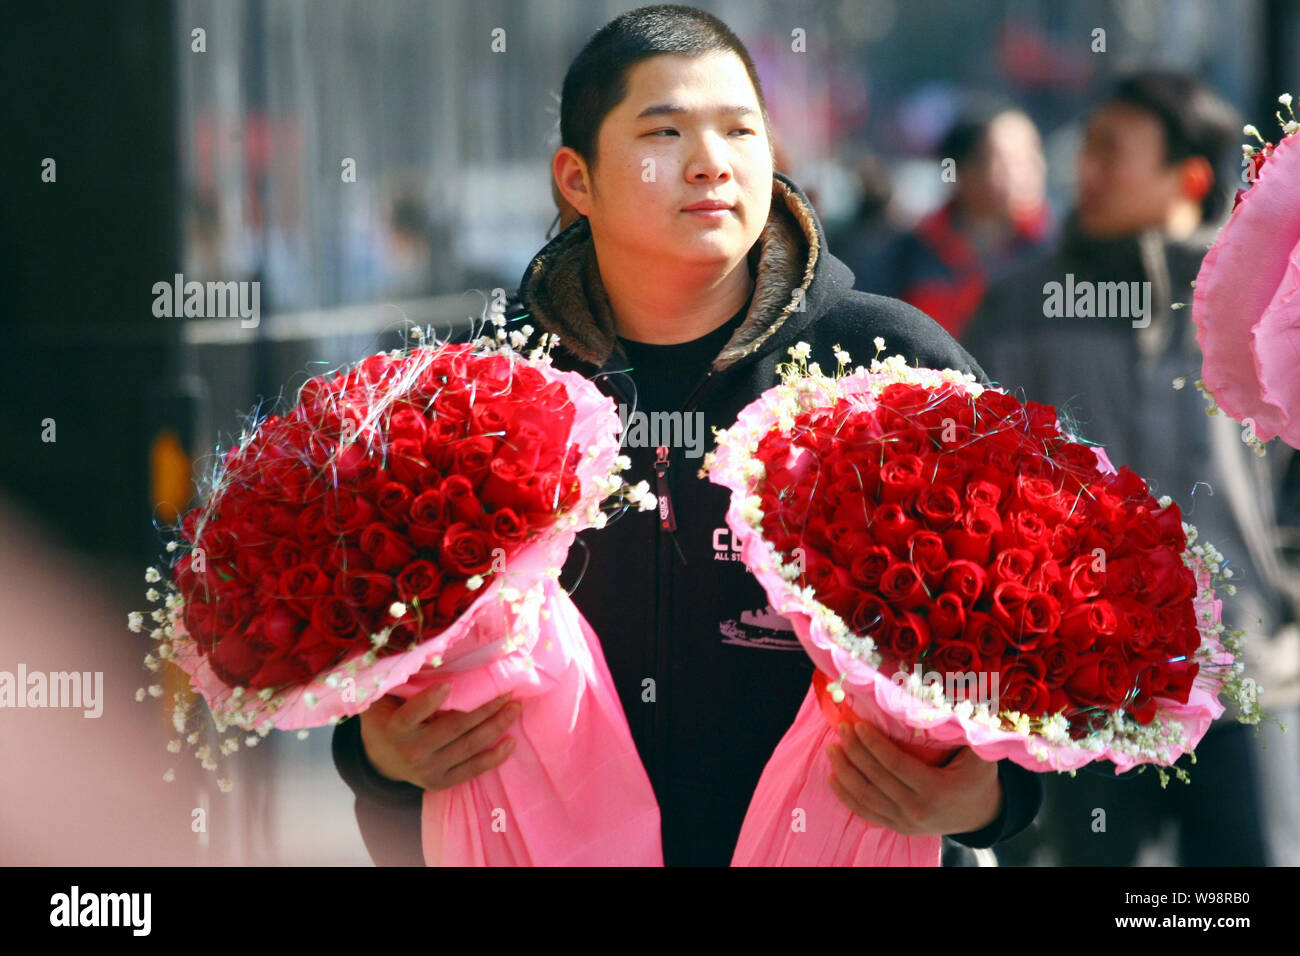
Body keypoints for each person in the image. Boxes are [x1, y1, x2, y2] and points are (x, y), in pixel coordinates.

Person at [332, 3, 1043, 867]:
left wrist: (992, 795)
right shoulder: (484, 391)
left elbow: (1038, 626)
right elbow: (379, 655)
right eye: (663, 132)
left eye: (741, 130)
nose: (711, 164)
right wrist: (377, 757)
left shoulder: (890, 366)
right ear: (576, 179)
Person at [965, 70, 1300, 866]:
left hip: (1244, 664)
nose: (1088, 169)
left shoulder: (1261, 301)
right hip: (1082, 674)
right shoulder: (1022, 303)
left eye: (1113, 151)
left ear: (1186, 177)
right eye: (1088, 146)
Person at [875, 97, 1051, 339]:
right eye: (1009, 161)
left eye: (1033, 155)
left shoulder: (1053, 250)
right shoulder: (909, 256)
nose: (1027, 172)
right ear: (962, 169)